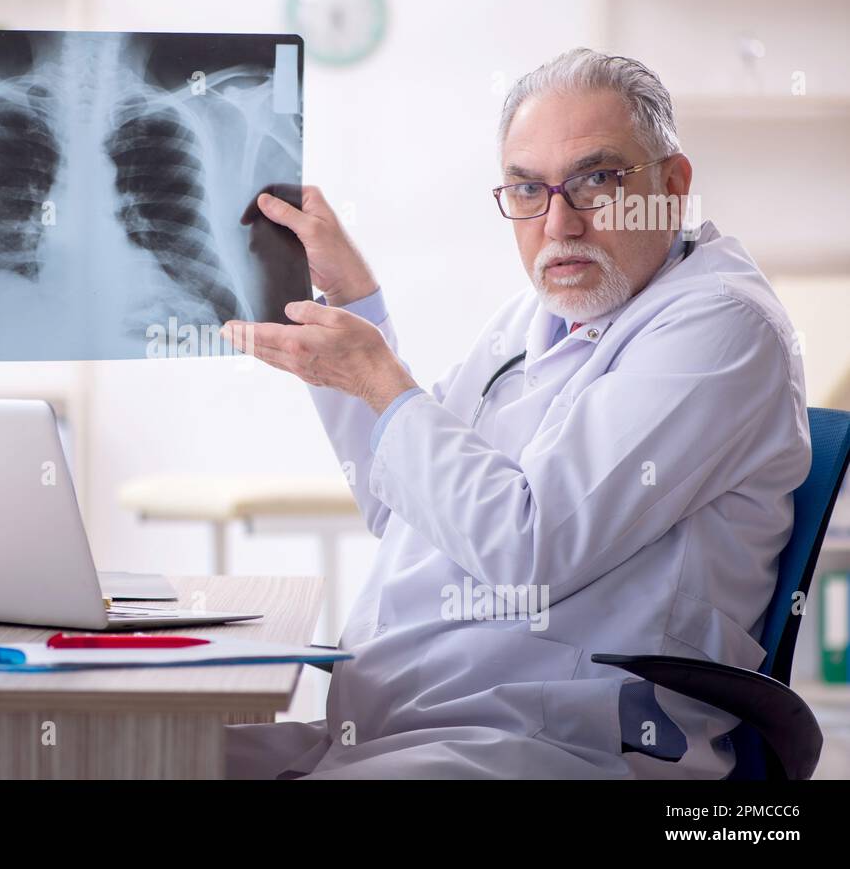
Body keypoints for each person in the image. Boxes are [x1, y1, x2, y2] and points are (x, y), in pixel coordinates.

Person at [220, 47, 810, 779]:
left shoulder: (722, 326)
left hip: (551, 743)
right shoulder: (541, 313)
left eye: (597, 180)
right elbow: (399, 501)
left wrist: (380, 377)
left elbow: (524, 549)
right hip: (399, 725)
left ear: (674, 184)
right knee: (143, 755)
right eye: (528, 188)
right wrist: (353, 301)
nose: (559, 223)